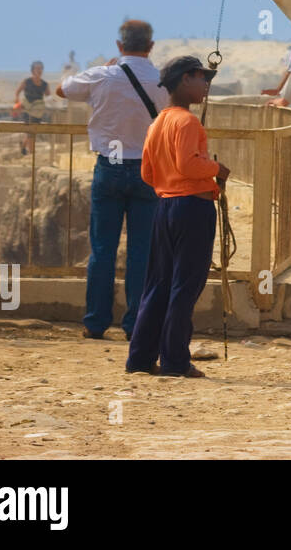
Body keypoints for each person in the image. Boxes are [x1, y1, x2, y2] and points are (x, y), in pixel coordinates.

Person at [58, 19, 168, 340]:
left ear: (120, 46)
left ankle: (95, 321)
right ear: (151, 46)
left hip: (110, 166)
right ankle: (136, 323)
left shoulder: (103, 75)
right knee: (142, 251)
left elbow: (62, 89)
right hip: (147, 169)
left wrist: (105, 69)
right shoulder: (162, 80)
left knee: (102, 248)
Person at [126, 56, 228, 377]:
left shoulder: (157, 123)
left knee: (158, 283)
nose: (206, 85)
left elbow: (147, 173)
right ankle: (175, 361)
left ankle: (141, 358)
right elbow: (188, 165)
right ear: (186, 79)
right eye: (202, 78)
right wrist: (217, 169)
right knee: (185, 286)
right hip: (193, 209)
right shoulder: (187, 122)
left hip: (166, 207)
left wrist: (170, 184)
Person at [13, 61, 49, 155]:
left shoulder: (44, 84)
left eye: (40, 68)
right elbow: (17, 92)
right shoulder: (27, 81)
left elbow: (49, 96)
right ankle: (32, 153)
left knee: (33, 132)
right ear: (33, 70)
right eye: (37, 68)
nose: (39, 70)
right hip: (27, 110)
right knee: (30, 131)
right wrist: (17, 102)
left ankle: (23, 145)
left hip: (38, 111)